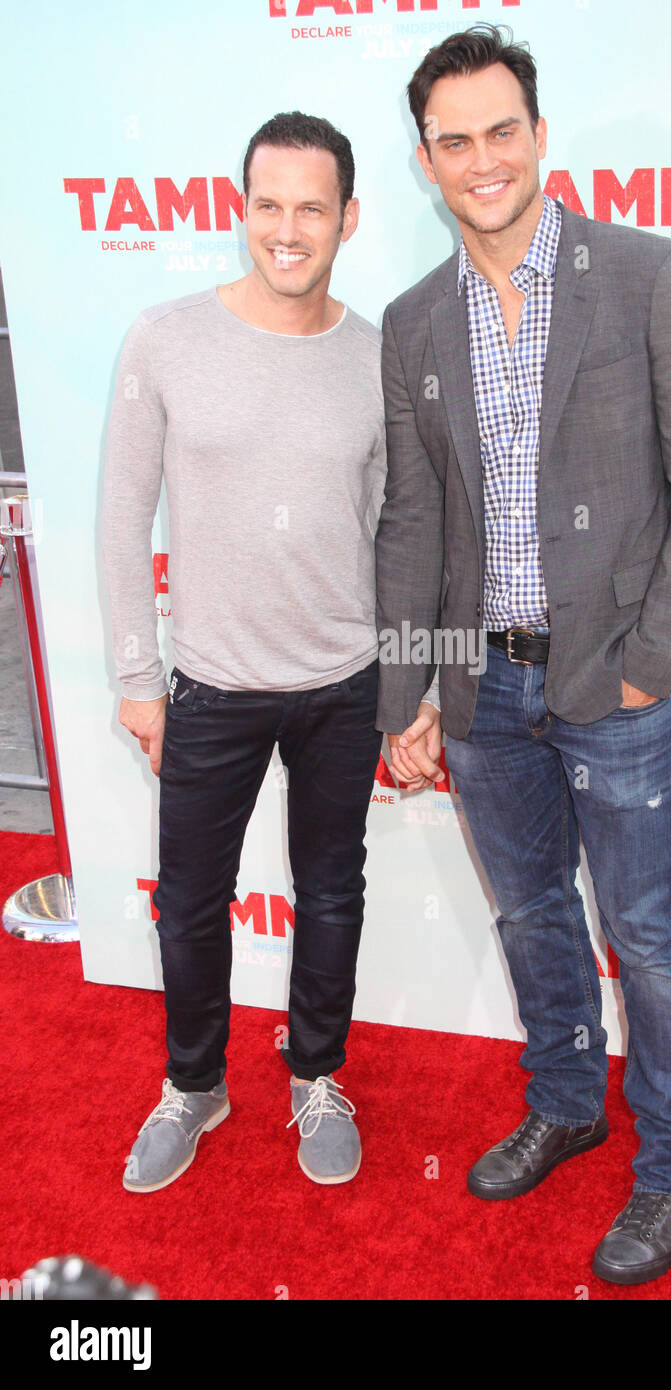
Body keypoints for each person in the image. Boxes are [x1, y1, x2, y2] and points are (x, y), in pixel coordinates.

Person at [376, 26, 671, 1285]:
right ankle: (566, 1099)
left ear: (537, 135)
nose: (480, 160)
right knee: (531, 912)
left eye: (499, 131)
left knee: (645, 934)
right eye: (452, 140)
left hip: (617, 686)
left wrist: (648, 662)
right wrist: (409, 691)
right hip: (485, 689)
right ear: (424, 160)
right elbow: (415, 521)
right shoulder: (415, 320)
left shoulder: (647, 276)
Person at [103, 111, 386, 1192]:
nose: (287, 226)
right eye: (267, 203)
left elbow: (387, 527)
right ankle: (194, 1086)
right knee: (188, 901)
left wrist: (402, 684)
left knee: (330, 892)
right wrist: (137, 677)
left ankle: (315, 1074)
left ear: (346, 218)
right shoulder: (164, 339)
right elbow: (123, 516)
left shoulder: (374, 357)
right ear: (239, 211)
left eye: (311, 206)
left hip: (342, 686)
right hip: (210, 685)